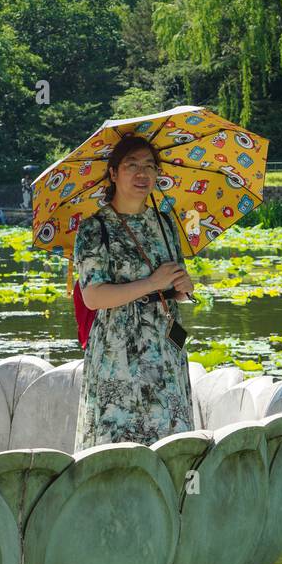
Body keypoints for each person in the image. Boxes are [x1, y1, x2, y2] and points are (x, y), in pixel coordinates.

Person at [73, 135, 195, 450]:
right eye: (132, 165)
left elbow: (175, 284)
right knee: (117, 441)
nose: (143, 174)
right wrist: (152, 283)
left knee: (170, 439)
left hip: (166, 345)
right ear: (113, 173)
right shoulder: (95, 228)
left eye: (150, 166)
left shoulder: (166, 222)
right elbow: (94, 297)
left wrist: (183, 288)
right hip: (118, 348)